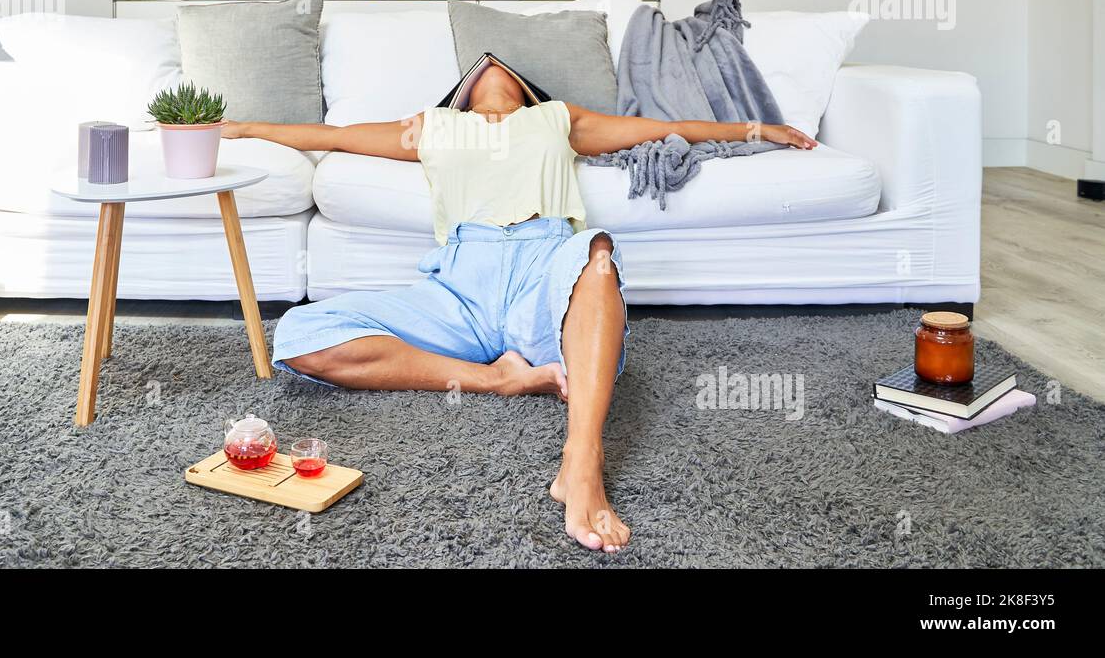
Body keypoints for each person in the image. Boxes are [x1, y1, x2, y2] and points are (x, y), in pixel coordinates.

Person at [222, 65, 815, 552]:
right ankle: (494, 379)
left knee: (598, 251)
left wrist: (756, 129)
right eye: (477, 69)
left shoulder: (556, 119)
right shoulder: (432, 126)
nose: (491, 64)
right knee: (299, 335)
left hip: (546, 273)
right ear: (459, 89)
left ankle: (582, 460)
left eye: (504, 66)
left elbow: (660, 127)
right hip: (458, 290)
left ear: (529, 89)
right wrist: (239, 126)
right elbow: (329, 136)